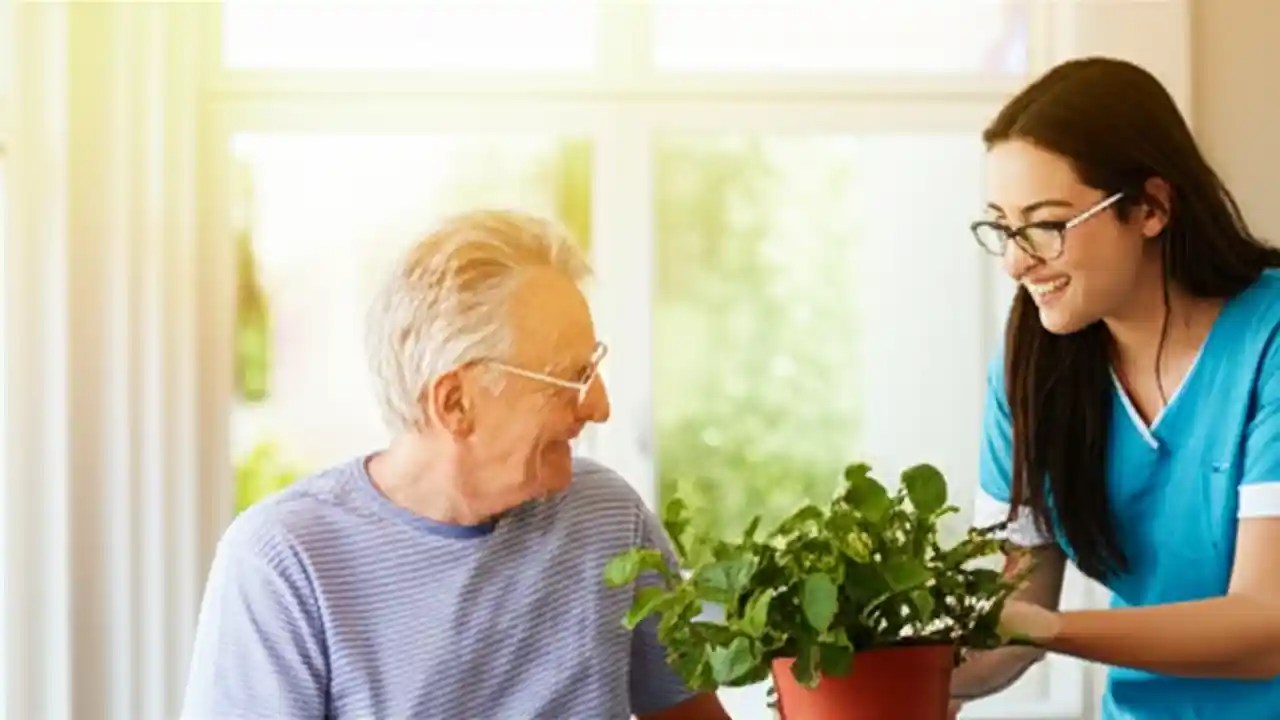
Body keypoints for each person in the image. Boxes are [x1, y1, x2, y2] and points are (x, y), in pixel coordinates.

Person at [181, 210, 729, 720]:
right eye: (571, 378)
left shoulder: (607, 516)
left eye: (594, 367)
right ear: (455, 403)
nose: (599, 405)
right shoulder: (284, 562)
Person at [951, 56, 1280, 719]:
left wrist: (1050, 630)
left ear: (1151, 207)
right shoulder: (1031, 367)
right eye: (1004, 227)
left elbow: (1266, 628)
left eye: (1045, 225)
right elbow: (1011, 620)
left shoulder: (1268, 342)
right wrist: (901, 677)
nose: (1016, 262)